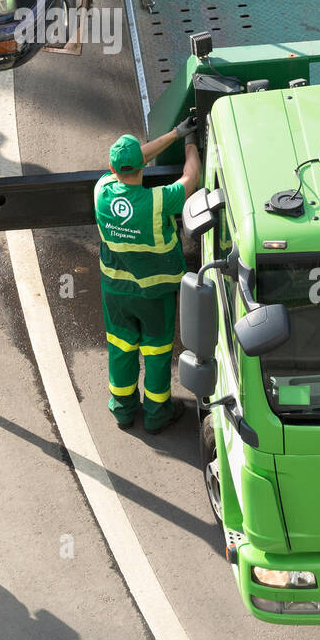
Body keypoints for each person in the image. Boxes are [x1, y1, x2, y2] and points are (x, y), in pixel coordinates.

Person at [94, 114, 201, 433]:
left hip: (115, 292)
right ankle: (157, 414)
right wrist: (189, 141)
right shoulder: (159, 200)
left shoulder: (102, 190)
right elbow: (190, 177)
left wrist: (172, 133)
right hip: (155, 294)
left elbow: (134, 159)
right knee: (156, 352)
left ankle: (123, 409)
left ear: (113, 170)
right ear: (142, 165)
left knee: (121, 347)